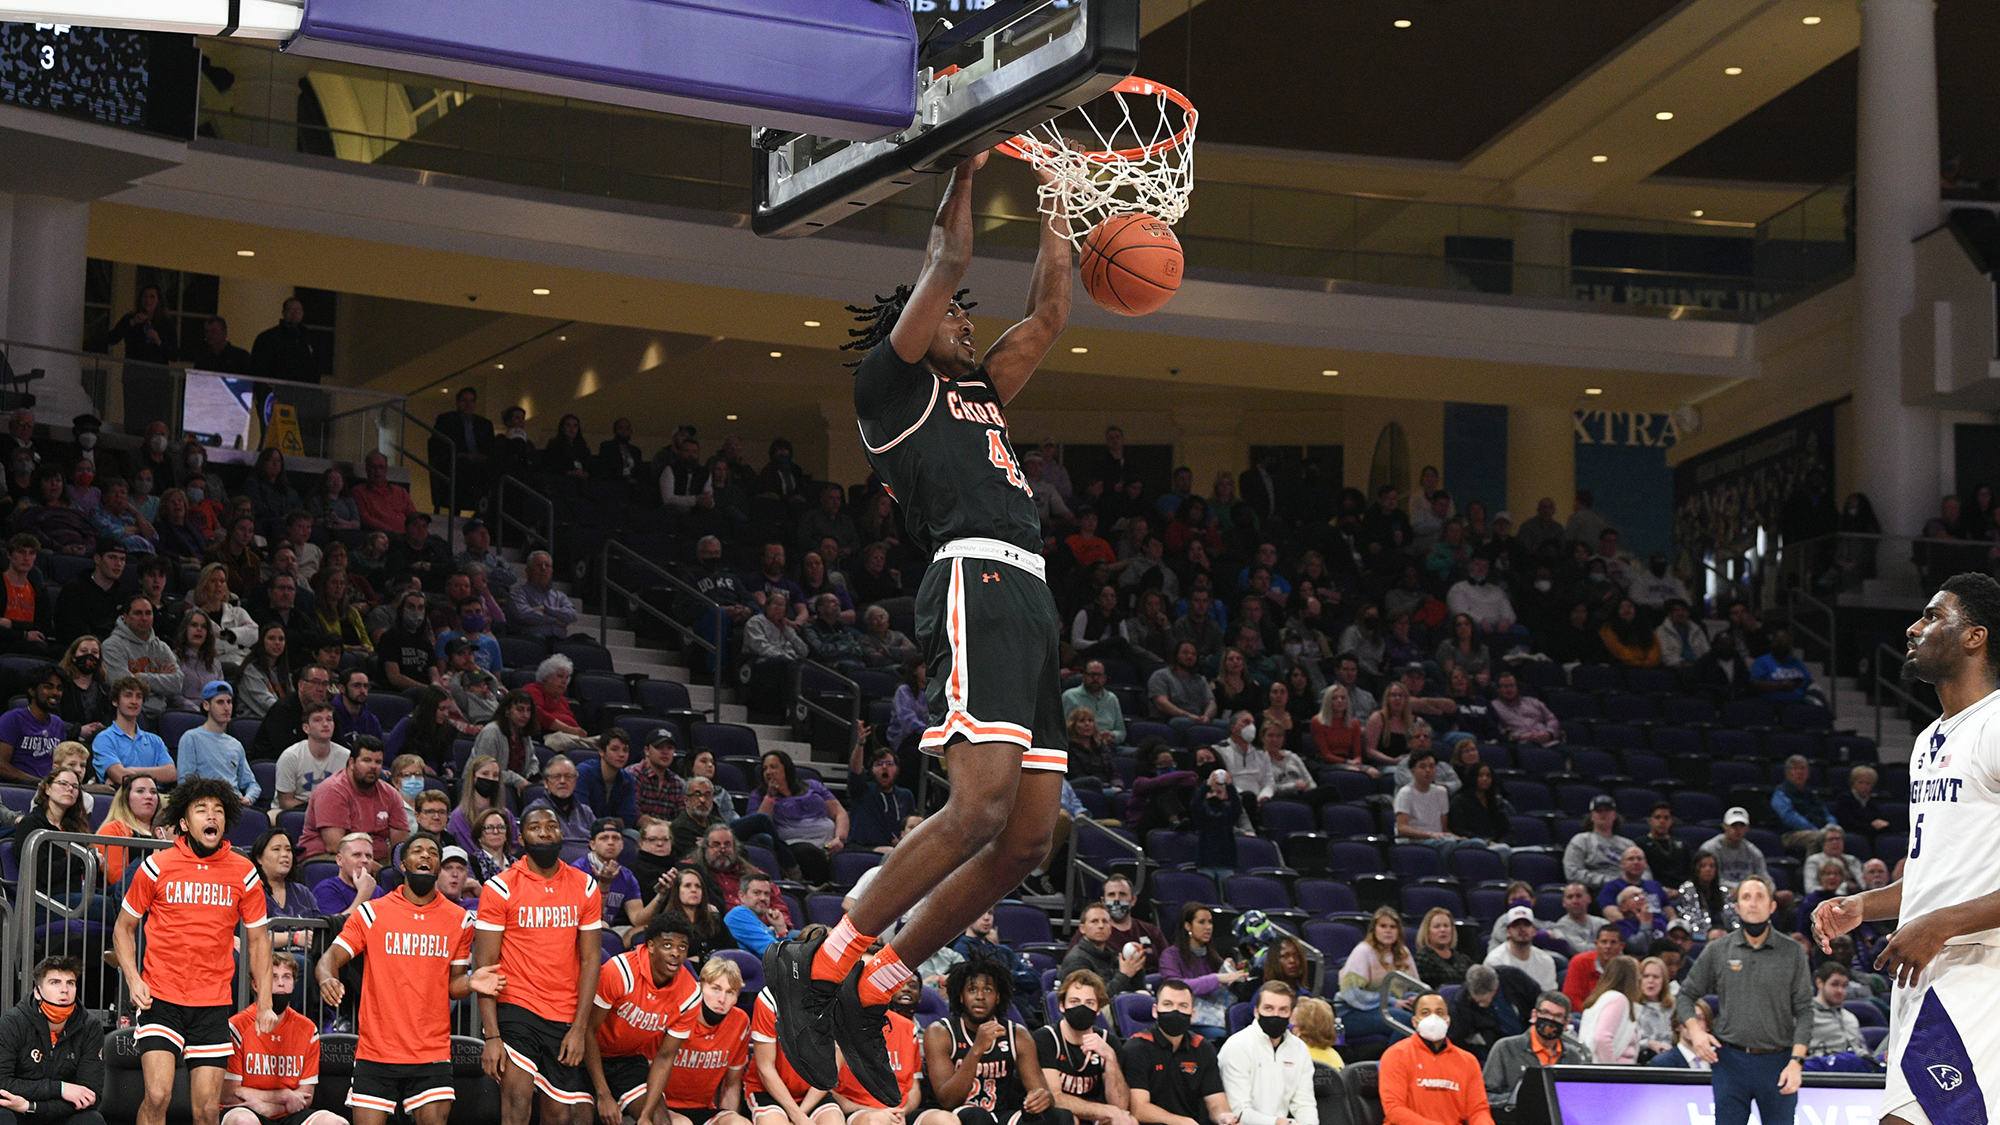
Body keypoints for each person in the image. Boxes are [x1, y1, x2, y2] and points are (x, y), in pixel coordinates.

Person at [768, 150, 1077, 1109]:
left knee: (1029, 840)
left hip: (1031, 596)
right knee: (976, 805)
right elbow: (947, 255)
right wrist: (967, 166)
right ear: (914, 322)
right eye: (954, 314)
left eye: (968, 317)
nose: (967, 319)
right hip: (973, 575)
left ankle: (879, 982)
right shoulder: (890, 388)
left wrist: (1061, 205)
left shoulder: (981, 387)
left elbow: (1052, 316)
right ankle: (824, 956)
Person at [1810, 573, 2000, 1125]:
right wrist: (1863, 907)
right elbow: (1933, 869)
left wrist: (1938, 925)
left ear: (1975, 637)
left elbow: (1946, 904)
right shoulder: (1928, 740)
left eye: (1934, 616)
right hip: (1926, 976)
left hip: (1977, 973)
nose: (1914, 627)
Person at [114, 778, 276, 1125]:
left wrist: (264, 1001)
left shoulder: (244, 871)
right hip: (161, 997)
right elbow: (123, 928)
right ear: (185, 823)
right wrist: (133, 979)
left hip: (213, 1001)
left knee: (205, 1111)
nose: (211, 815)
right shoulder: (158, 865)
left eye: (218, 809)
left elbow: (260, 940)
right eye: (201, 809)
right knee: (158, 1096)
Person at [319, 832, 501, 1125]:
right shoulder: (372, 913)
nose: (426, 855)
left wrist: (470, 982)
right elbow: (329, 958)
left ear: (438, 866)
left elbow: (454, 986)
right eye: (418, 850)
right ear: (403, 864)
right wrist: (328, 977)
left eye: (433, 852)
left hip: (431, 1051)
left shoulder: (459, 920)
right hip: (376, 1050)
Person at [475, 805, 605, 1125]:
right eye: (535, 828)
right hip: (516, 1006)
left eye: (552, 826)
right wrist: (492, 1036)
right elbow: (485, 969)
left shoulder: (586, 886)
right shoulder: (500, 887)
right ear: (521, 837)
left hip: (564, 1013)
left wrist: (579, 1029)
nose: (545, 833)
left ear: (562, 834)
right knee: (517, 1105)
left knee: (559, 1115)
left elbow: (590, 961)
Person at [1675, 876, 1812, 1125]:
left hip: (1778, 1062)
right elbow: (1686, 994)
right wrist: (1696, 1032)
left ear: (1772, 906)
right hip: (1730, 1061)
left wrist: (1797, 1062)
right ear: (1737, 907)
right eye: (1746, 897)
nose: (1753, 903)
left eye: (1760, 897)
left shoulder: (1792, 951)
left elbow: (1805, 1009)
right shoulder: (1719, 949)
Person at [924, 958, 1066, 1125]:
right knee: (978, 1116)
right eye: (972, 990)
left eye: (988, 990)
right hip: (955, 1116)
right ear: (961, 996)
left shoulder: (1017, 1034)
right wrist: (977, 1049)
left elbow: (1040, 1090)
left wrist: (1044, 1098)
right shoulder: (940, 1032)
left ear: (998, 997)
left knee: (1061, 1117)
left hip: (1001, 1115)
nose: (980, 997)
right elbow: (948, 1100)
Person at [584, 914, 696, 1124]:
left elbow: (664, 1057)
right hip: (588, 1054)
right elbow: (588, 1029)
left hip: (628, 1059)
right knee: (576, 1118)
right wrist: (604, 1094)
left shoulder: (690, 994)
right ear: (651, 946)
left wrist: (645, 1115)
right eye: (668, 945)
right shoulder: (620, 971)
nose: (675, 953)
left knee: (658, 1120)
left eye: (682, 947)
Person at [219, 955, 342, 1125]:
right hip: (246, 1109)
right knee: (243, 1120)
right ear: (256, 984)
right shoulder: (237, 1027)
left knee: (334, 1122)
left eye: (287, 977)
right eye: (273, 977)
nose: (281, 983)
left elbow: (306, 1096)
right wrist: (283, 1096)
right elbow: (229, 1094)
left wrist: (271, 1108)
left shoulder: (308, 1030)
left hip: (287, 1113)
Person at [0, 955, 105, 1125]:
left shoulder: (90, 1027)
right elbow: (2, 1082)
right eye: (55, 982)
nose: (64, 989)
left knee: (91, 1120)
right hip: (17, 1111)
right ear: (37, 992)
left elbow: (91, 1096)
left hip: (58, 1113)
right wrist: (60, 1088)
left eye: (70, 983)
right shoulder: (13, 1022)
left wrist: (32, 1106)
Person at [1034, 971, 1135, 1125]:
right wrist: (1106, 1111)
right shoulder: (1047, 1038)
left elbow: (1120, 1105)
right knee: (1069, 1119)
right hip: (1057, 1117)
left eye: (1089, 1003)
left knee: (1129, 1121)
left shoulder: (1109, 1041)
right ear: (1062, 1005)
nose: (1081, 1008)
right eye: (1074, 1001)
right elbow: (1055, 1097)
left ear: (1099, 1009)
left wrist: (1110, 1059)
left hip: (1094, 1116)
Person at [1378, 991, 1494, 1125]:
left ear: (1448, 1020)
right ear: (1415, 1022)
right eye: (1425, 1013)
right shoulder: (1396, 1055)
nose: (1433, 1018)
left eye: (1439, 1012)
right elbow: (1394, 1110)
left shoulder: (1468, 1061)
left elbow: (1478, 1110)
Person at [1216, 981, 1315, 1125]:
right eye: (1268, 1008)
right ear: (1256, 1011)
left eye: (1283, 1010)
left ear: (1291, 1013)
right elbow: (1238, 1111)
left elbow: (1304, 1104)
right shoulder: (1237, 1046)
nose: (1276, 1015)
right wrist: (1279, 1123)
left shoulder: (1299, 1048)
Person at [301, 736, 408, 863]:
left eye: (378, 762)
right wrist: (377, 871)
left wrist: (391, 872)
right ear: (352, 763)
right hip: (328, 858)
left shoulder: (390, 794)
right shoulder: (333, 790)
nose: (373, 767)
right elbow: (335, 846)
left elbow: (399, 847)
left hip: (375, 859)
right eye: (366, 760)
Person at [1482, 992, 1582, 1121]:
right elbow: (1484, 1097)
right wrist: (1518, 1098)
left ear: (1566, 1023)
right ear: (1534, 1015)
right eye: (1545, 1013)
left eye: (1557, 1016)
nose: (1550, 1019)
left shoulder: (1573, 1056)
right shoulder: (1506, 1048)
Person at [1337, 907, 1416, 1043]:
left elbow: (1415, 986)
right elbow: (1351, 993)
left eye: (1393, 927)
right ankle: (1391, 1063)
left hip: (1387, 1009)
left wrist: (1414, 999)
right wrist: (1391, 1002)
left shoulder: (1403, 953)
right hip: (1353, 1012)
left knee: (1423, 1018)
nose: (1388, 930)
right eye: (1383, 926)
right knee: (1403, 1020)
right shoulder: (1363, 951)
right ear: (1374, 930)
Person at [176, 682, 259, 803]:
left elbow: (252, 784)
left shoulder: (235, 744)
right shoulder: (191, 738)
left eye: (229, 702)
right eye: (220, 702)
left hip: (234, 804)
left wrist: (248, 798)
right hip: (206, 803)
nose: (226, 708)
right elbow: (185, 783)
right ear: (206, 705)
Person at [91, 677, 176, 788]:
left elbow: (171, 773)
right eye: (128, 695)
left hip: (157, 797)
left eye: (139, 697)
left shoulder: (155, 740)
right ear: (115, 701)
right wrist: (158, 775)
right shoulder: (104, 739)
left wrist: (131, 770)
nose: (134, 701)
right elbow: (120, 775)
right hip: (122, 799)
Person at [1057, 903, 1145, 999]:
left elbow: (1136, 987)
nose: (1101, 926)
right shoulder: (1076, 960)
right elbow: (1093, 999)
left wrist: (1136, 963)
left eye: (1105, 921)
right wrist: (1124, 975)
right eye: (1094, 921)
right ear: (1082, 929)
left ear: (1110, 929)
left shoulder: (1112, 956)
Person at [274, 704, 349, 811]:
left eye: (329, 719)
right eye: (318, 720)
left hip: (333, 812)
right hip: (297, 811)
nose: (325, 724)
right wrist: (318, 809)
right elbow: (285, 803)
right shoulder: (290, 756)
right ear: (306, 728)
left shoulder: (346, 756)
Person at [0, 663, 67, 782]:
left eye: (59, 688)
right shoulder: (12, 719)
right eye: (48, 687)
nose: (56, 693)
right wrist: (37, 782)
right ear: (32, 691)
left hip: (51, 790)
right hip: (20, 789)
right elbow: (1, 766)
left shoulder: (58, 724)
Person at [1577, 955, 1642, 1065]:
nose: (1640, 978)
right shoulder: (1618, 1000)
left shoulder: (1603, 998)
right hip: (1615, 1076)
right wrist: (1612, 1072)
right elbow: (1602, 1038)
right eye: (1638, 974)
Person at [1563, 796, 1635, 892]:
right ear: (1592, 816)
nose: (1603, 814)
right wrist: (1610, 881)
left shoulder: (1628, 844)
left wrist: (1633, 881)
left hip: (1629, 889)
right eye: (1599, 811)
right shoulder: (1581, 840)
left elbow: (1645, 872)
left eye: (1607, 810)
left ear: (1614, 815)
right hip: (1596, 890)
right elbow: (1572, 873)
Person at [1770, 754, 1839, 856]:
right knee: (1815, 838)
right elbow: (1789, 817)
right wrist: (1817, 830)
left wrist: (1831, 827)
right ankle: (1813, 870)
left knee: (1837, 837)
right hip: (1790, 834)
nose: (1799, 772)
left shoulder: (1812, 793)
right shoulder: (1781, 793)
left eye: (1802, 768)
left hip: (1818, 830)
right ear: (1787, 772)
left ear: (1808, 772)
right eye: (1795, 768)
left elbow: (1826, 814)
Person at [1483, 907, 1559, 992]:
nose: (1522, 929)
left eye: (1526, 925)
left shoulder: (1546, 960)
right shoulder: (1495, 961)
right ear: (1508, 932)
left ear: (1534, 931)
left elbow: (1550, 995)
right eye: (1516, 925)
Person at [510, 551, 580, 642]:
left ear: (551, 572)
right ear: (528, 571)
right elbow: (522, 614)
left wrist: (546, 609)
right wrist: (554, 620)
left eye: (547, 565)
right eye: (539, 565)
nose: (543, 569)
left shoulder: (559, 596)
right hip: (532, 640)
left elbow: (572, 615)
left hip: (560, 640)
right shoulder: (519, 592)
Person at [1804, 962, 1865, 1059]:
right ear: (1820, 983)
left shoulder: (1850, 1017)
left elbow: (1863, 1050)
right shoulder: (1805, 1015)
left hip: (1855, 1068)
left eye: (1844, 986)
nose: (1840, 991)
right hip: (1822, 1069)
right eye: (1834, 984)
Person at [722, 872, 791, 958]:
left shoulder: (758, 921)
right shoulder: (738, 915)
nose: (763, 898)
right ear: (742, 896)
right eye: (757, 893)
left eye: (766, 894)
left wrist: (781, 929)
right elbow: (777, 953)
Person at [1700, 808, 1772, 885]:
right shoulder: (1710, 849)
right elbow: (1710, 879)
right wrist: (1739, 888)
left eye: (1742, 825)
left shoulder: (1753, 852)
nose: (1738, 829)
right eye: (1733, 825)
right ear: (1724, 826)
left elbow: (1765, 878)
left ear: (1747, 828)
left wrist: (1770, 889)